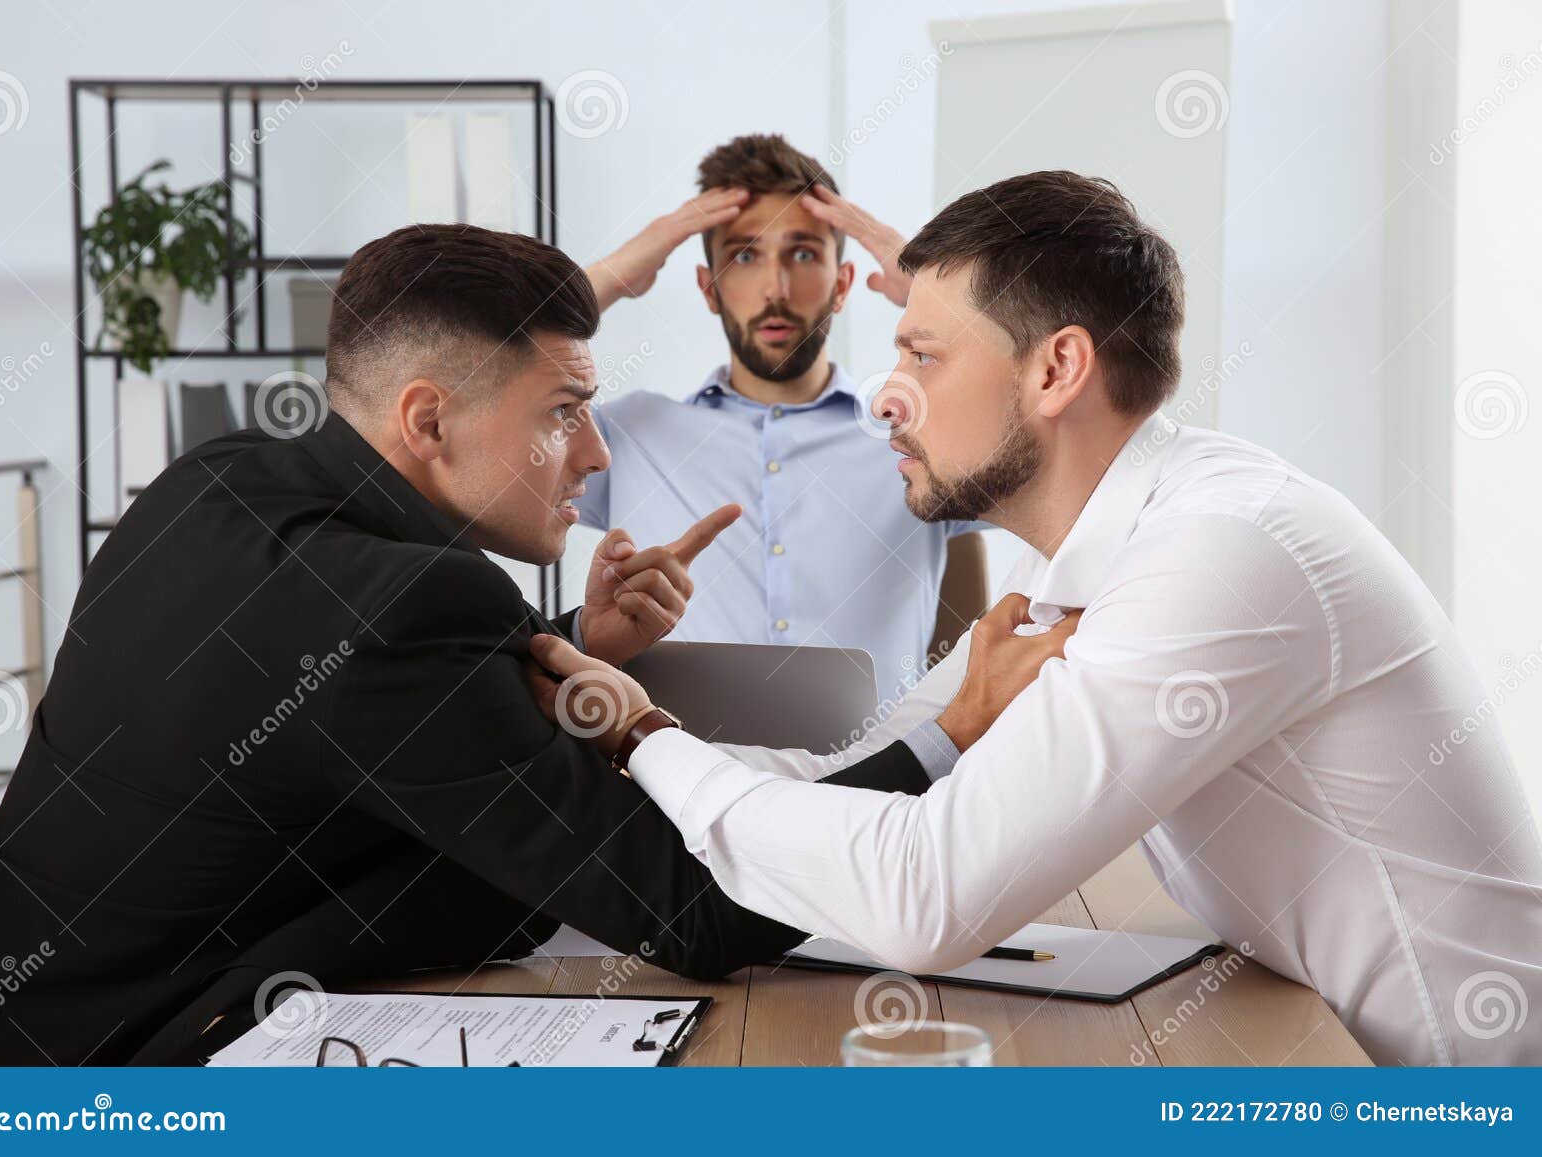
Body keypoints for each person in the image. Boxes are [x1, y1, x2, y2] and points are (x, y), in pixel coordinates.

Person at [531, 171, 1542, 1066]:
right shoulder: (1080, 564)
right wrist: (628, 751)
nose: (888, 400)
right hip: (1324, 1039)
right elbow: (858, 765)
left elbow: (924, 897)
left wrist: (647, 735)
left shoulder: (1222, 549)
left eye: (924, 357)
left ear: (1055, 371)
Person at [0, 224, 978, 1066]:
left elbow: (356, 717)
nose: (596, 450)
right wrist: (955, 726)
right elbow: (700, 912)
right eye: (563, 411)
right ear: (428, 420)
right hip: (113, 1083)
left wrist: (581, 642)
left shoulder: (213, 481)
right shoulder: (404, 607)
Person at [575, 134, 988, 702]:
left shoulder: (919, 430)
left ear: (843, 284)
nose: (776, 288)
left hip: (882, 786)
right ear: (709, 288)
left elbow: (1058, 431)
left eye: (803, 253)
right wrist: (614, 272)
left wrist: (939, 298)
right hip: (669, 783)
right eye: (744, 256)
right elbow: (474, 393)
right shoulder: (625, 436)